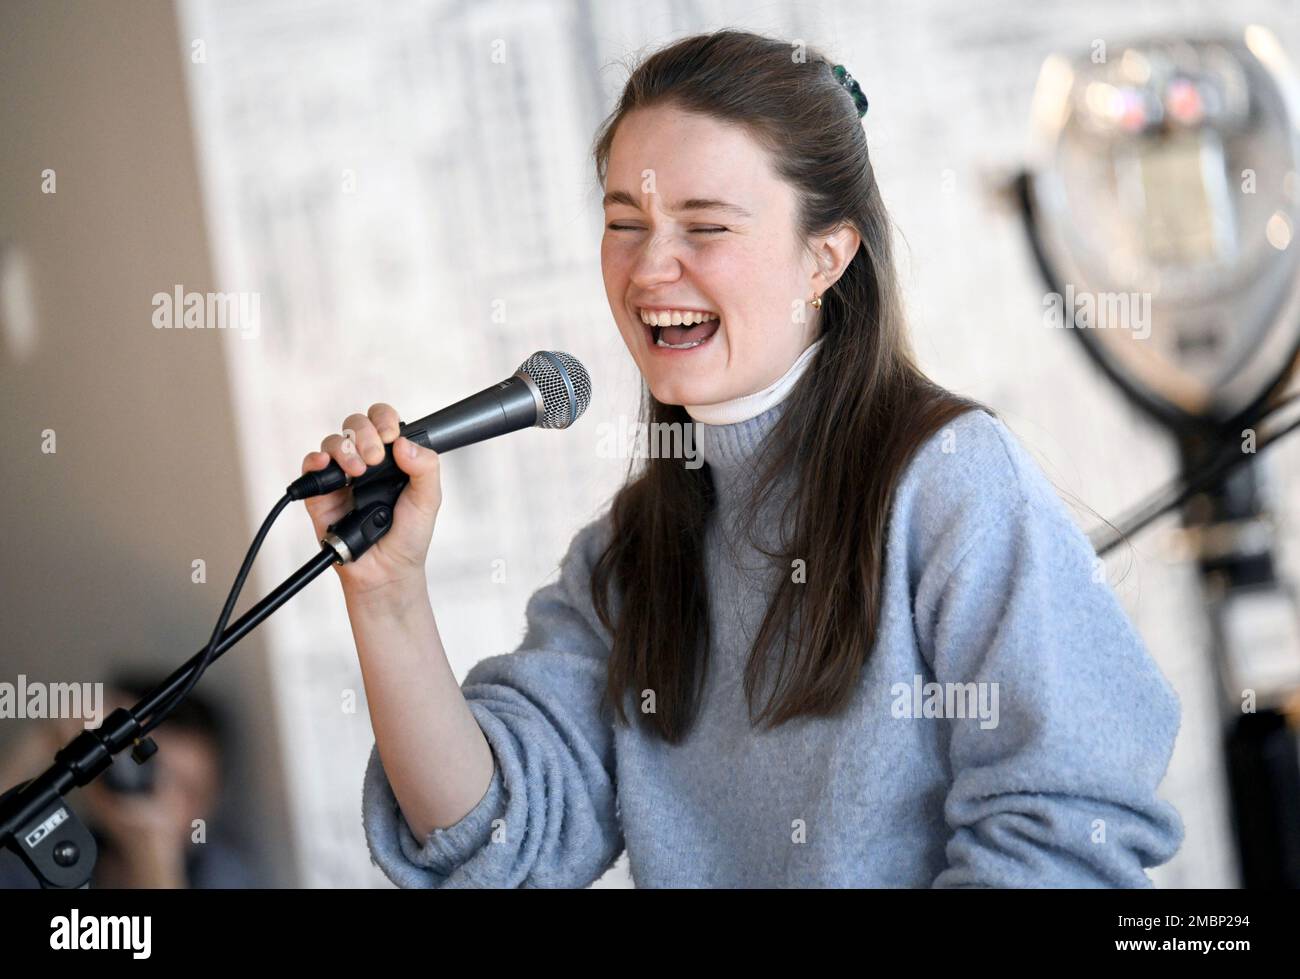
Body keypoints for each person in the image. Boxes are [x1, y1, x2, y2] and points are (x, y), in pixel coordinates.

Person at [300, 29, 1184, 888]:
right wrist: (387, 598)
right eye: (625, 222)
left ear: (824, 257)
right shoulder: (626, 556)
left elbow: (1068, 834)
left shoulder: (951, 480)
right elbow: (492, 840)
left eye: (705, 226)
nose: (651, 268)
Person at [0, 676, 262, 888]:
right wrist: (45, 742)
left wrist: (151, 854)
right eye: (150, 772)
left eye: (188, 790)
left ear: (211, 803)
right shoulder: (62, 851)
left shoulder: (225, 875)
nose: (164, 797)